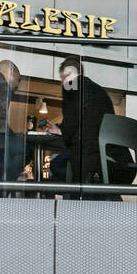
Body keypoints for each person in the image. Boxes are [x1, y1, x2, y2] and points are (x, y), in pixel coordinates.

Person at [45, 56, 115, 185]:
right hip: (109, 153)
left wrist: (62, 132)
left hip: (87, 151)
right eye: (62, 78)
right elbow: (84, 118)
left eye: (66, 76)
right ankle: (93, 187)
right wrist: (62, 129)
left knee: (55, 165)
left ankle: (86, 188)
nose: (64, 81)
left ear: (79, 74)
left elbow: (73, 121)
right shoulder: (99, 91)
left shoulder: (73, 86)